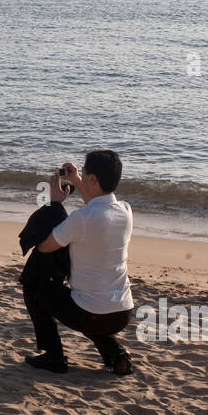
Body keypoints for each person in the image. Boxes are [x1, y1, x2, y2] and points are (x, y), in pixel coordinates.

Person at [24, 151, 135, 375]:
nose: (82, 177)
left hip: (92, 313)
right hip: (122, 312)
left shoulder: (81, 218)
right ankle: (117, 355)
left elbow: (45, 246)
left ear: (93, 179)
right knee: (89, 304)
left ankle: (53, 355)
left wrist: (54, 204)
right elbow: (96, 205)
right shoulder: (125, 210)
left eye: (84, 174)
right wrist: (75, 180)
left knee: (34, 286)